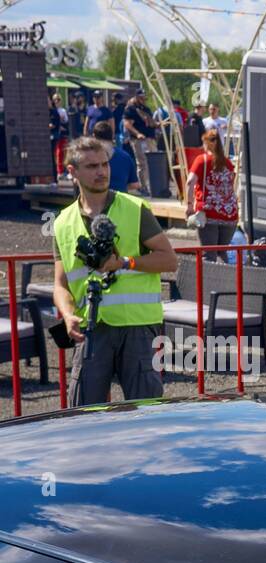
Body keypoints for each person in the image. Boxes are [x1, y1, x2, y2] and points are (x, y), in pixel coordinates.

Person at [51, 136, 178, 406]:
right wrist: (68, 315)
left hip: (138, 328)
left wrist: (125, 263)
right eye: (92, 166)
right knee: (84, 415)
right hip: (91, 329)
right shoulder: (62, 222)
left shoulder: (135, 208)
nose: (101, 172)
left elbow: (169, 260)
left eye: (104, 164)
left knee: (147, 414)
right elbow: (60, 285)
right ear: (72, 172)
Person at [187, 128, 239, 260]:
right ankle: (226, 279)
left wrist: (189, 205)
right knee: (222, 252)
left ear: (206, 143)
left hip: (209, 212)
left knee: (208, 254)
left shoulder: (201, 160)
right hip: (230, 214)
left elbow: (190, 182)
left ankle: (206, 280)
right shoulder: (227, 162)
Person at [92, 120, 142, 193]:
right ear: (112, 136)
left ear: (94, 136)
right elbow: (135, 185)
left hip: (96, 200)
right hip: (120, 199)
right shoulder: (125, 156)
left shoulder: (89, 156)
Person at [49, 91, 69, 176]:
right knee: (55, 153)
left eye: (58, 99)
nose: (56, 101)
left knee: (61, 152)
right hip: (54, 134)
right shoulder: (52, 110)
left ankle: (61, 171)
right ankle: (58, 171)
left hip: (61, 134)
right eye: (55, 99)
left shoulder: (63, 110)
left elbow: (66, 121)